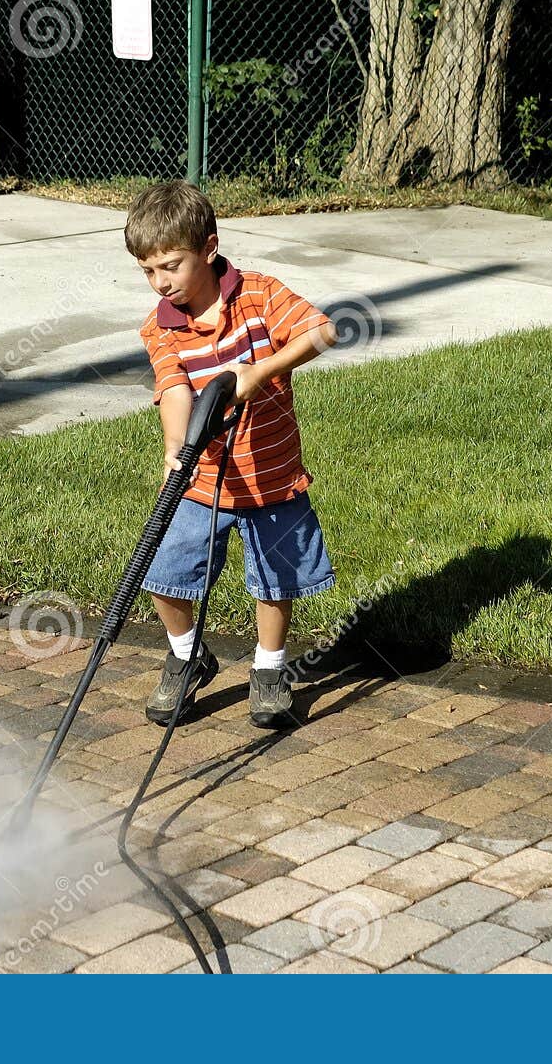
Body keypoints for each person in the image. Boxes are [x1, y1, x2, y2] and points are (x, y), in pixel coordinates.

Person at [127, 180, 338, 728]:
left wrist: (260, 371)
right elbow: (173, 387)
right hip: (201, 481)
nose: (160, 282)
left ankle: (269, 669)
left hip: (272, 476)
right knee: (162, 570)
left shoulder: (259, 296)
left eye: (171, 266)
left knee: (276, 577)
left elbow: (323, 332)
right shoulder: (160, 327)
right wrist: (176, 450)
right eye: (148, 271)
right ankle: (187, 656)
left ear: (209, 248)